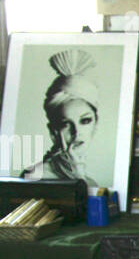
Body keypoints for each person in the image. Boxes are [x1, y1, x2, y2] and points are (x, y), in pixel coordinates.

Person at [20, 48, 100, 183]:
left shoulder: (88, 180)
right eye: (65, 124)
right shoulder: (36, 176)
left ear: (95, 125)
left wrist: (79, 174)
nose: (76, 132)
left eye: (85, 121)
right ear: (53, 131)